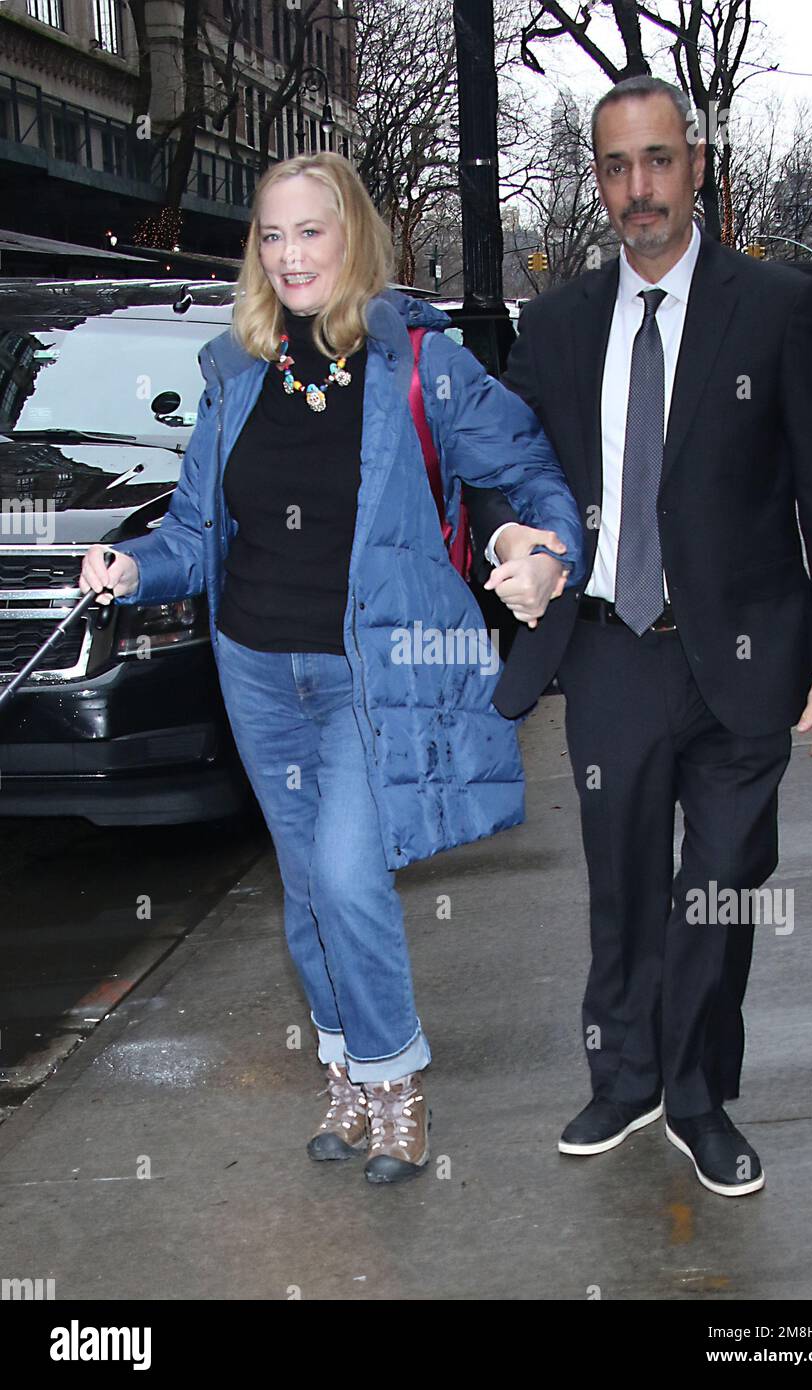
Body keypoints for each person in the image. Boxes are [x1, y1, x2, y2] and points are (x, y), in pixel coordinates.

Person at [79, 152, 584, 1186]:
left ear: (351, 236)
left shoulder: (421, 362)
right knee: (308, 889)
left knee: (352, 878)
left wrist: (545, 545)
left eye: (312, 230)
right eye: (273, 234)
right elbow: (194, 531)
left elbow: (528, 465)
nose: (291, 252)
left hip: (366, 672)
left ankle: (396, 1082)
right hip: (258, 672)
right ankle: (345, 1066)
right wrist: (133, 566)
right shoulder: (235, 372)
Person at [465, 77, 812, 1198]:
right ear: (596, 181)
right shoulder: (554, 326)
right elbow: (500, 475)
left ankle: (699, 1097)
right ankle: (627, 1074)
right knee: (625, 882)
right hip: (611, 647)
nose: (638, 188)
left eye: (658, 160)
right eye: (615, 166)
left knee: (726, 882)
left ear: (695, 165)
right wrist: (513, 544)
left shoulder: (778, 307)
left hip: (748, 654)